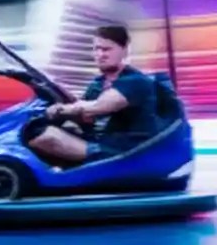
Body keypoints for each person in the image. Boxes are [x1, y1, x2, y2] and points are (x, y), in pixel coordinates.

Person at [27, 24, 160, 163]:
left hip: (124, 149)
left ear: (124, 50)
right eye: (97, 49)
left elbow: (100, 106)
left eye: (107, 49)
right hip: (100, 140)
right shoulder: (97, 83)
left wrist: (61, 109)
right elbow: (85, 117)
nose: (100, 55)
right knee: (50, 129)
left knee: (46, 137)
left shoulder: (135, 81)